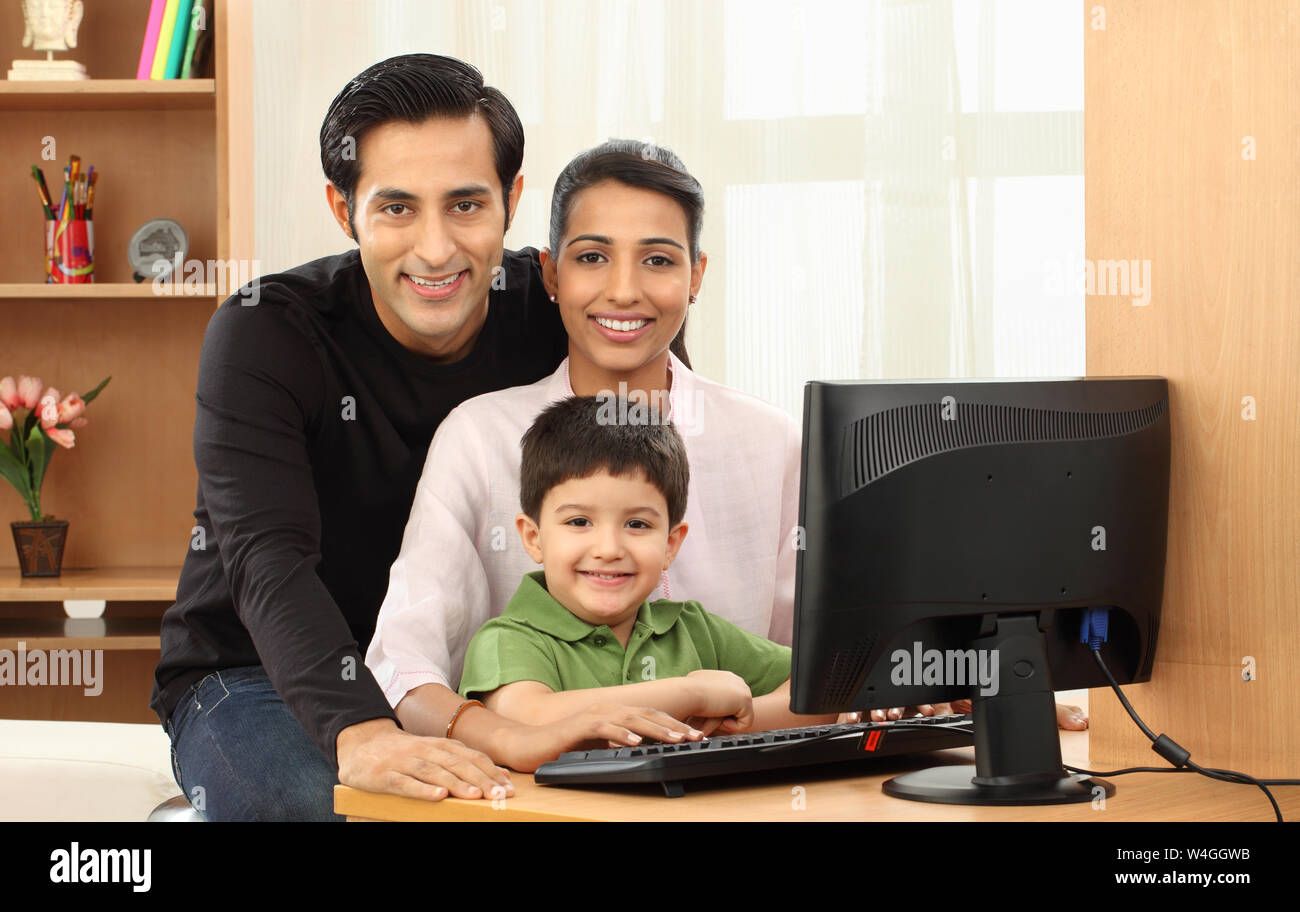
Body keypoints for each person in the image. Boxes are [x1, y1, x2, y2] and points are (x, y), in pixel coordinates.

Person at [149, 55, 691, 823]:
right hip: (256, 672)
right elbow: (267, 558)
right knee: (341, 807)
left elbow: (658, 467)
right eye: (397, 208)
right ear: (344, 211)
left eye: (466, 205)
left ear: (512, 201)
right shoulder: (266, 330)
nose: (436, 250)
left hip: (480, 673)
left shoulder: (558, 309)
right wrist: (363, 731)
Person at [459, 396, 842, 732]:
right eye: (579, 522)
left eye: (637, 524)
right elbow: (530, 716)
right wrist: (690, 695)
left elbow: (826, 682)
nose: (609, 549)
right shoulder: (509, 638)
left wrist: (725, 722)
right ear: (533, 538)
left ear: (670, 544)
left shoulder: (692, 629)